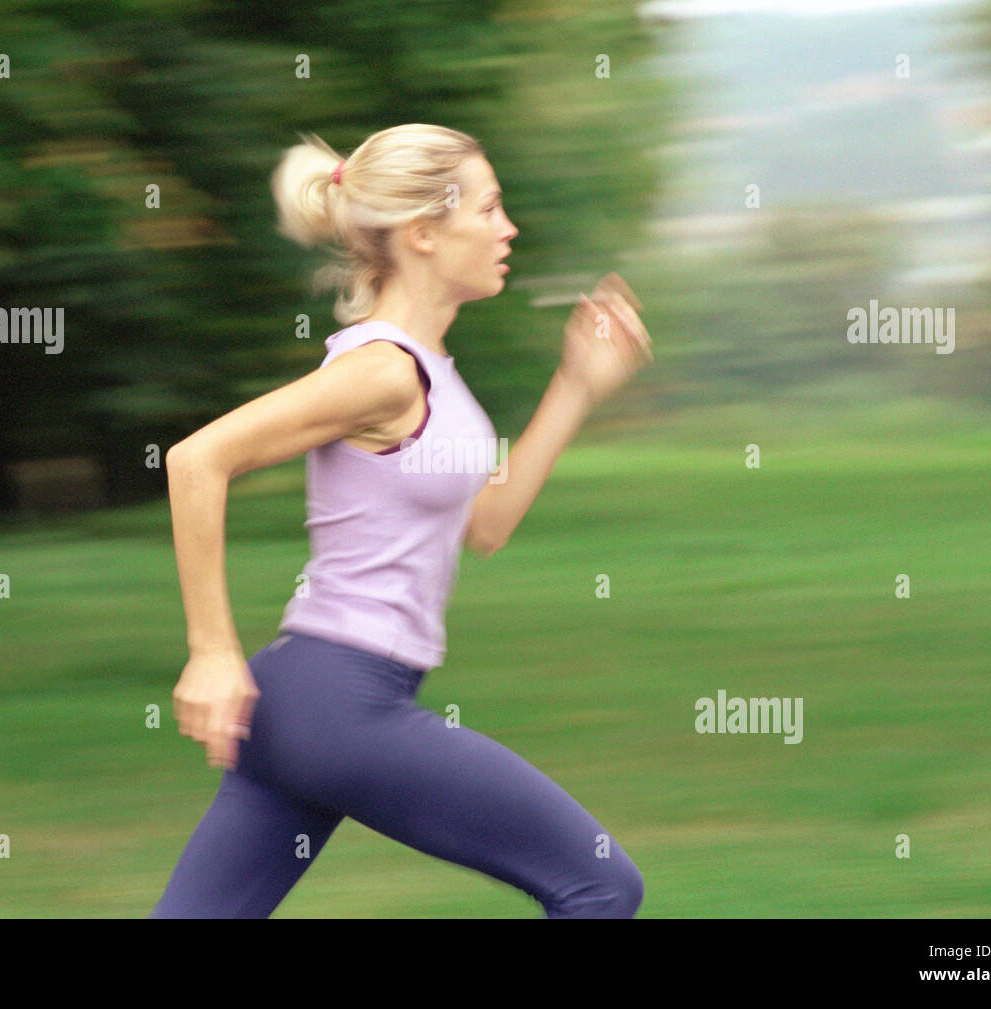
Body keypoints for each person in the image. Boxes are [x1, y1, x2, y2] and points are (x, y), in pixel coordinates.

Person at [150, 123, 655, 918]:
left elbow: (485, 523)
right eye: (489, 209)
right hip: (341, 702)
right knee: (599, 883)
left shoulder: (431, 374)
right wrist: (211, 651)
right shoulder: (382, 371)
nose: (507, 228)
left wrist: (575, 385)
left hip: (297, 709)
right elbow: (196, 461)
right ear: (423, 232)